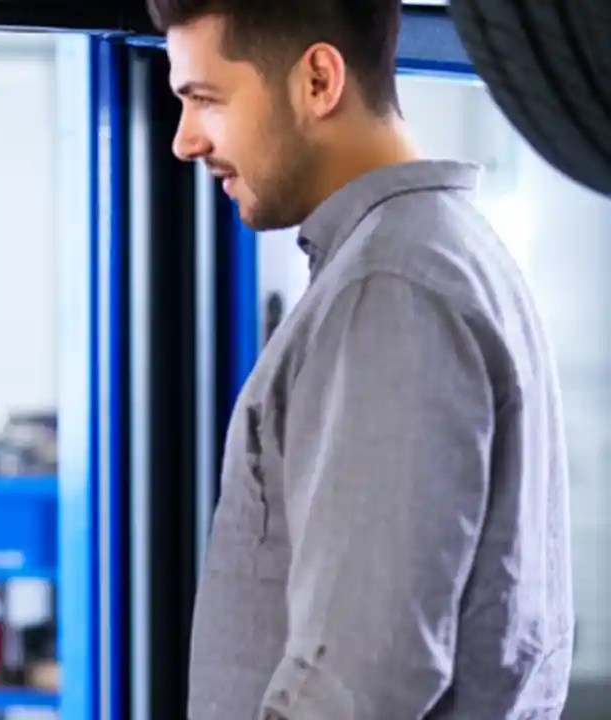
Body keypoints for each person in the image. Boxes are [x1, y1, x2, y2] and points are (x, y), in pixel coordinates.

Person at [147, 1, 573, 717]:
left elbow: (361, 676)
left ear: (318, 80)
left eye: (206, 99)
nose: (185, 140)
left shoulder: (390, 285)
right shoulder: (434, 251)